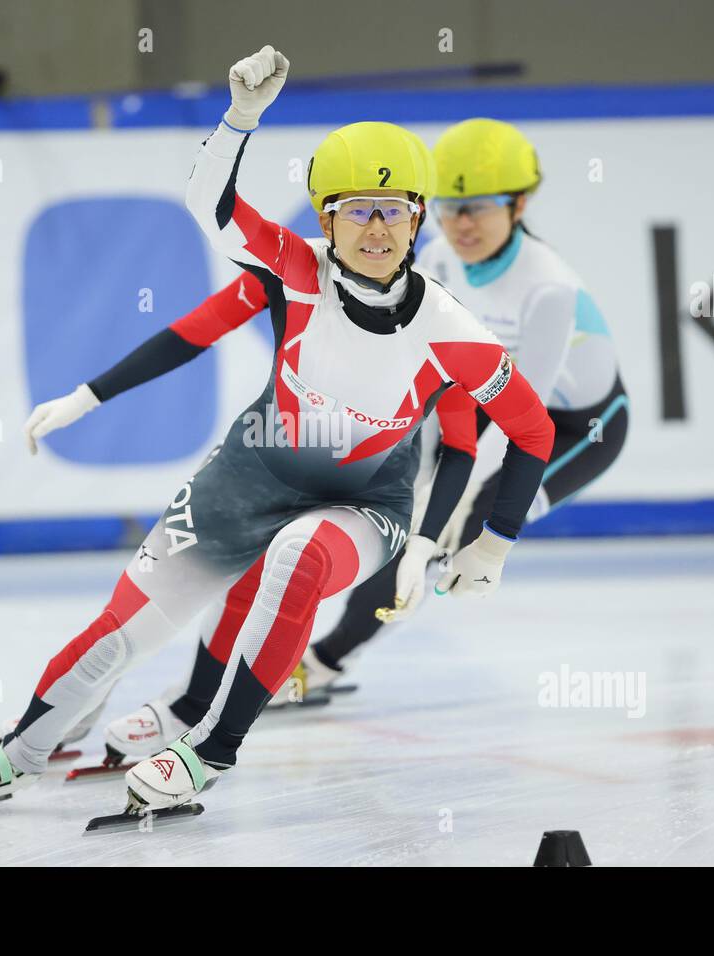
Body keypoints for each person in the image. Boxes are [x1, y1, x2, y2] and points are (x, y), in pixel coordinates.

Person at [0, 46, 554, 814]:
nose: (377, 227)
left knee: (297, 556)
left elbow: (526, 433)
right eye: (358, 208)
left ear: (419, 217)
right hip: (249, 477)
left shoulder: (448, 329)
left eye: (395, 209)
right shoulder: (291, 269)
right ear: (326, 218)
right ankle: (18, 751)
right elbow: (210, 215)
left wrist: (485, 545)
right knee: (126, 628)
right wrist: (239, 121)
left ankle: (207, 752)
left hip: (366, 505)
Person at [104, 119, 629, 742]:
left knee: (455, 524)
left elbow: (524, 422)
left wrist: (462, 527)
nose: (462, 225)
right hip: (466, 399)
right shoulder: (429, 256)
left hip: (578, 425)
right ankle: (259, 668)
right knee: (403, 514)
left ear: (520, 205)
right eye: (452, 208)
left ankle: (325, 661)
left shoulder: (548, 288)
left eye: (479, 209)